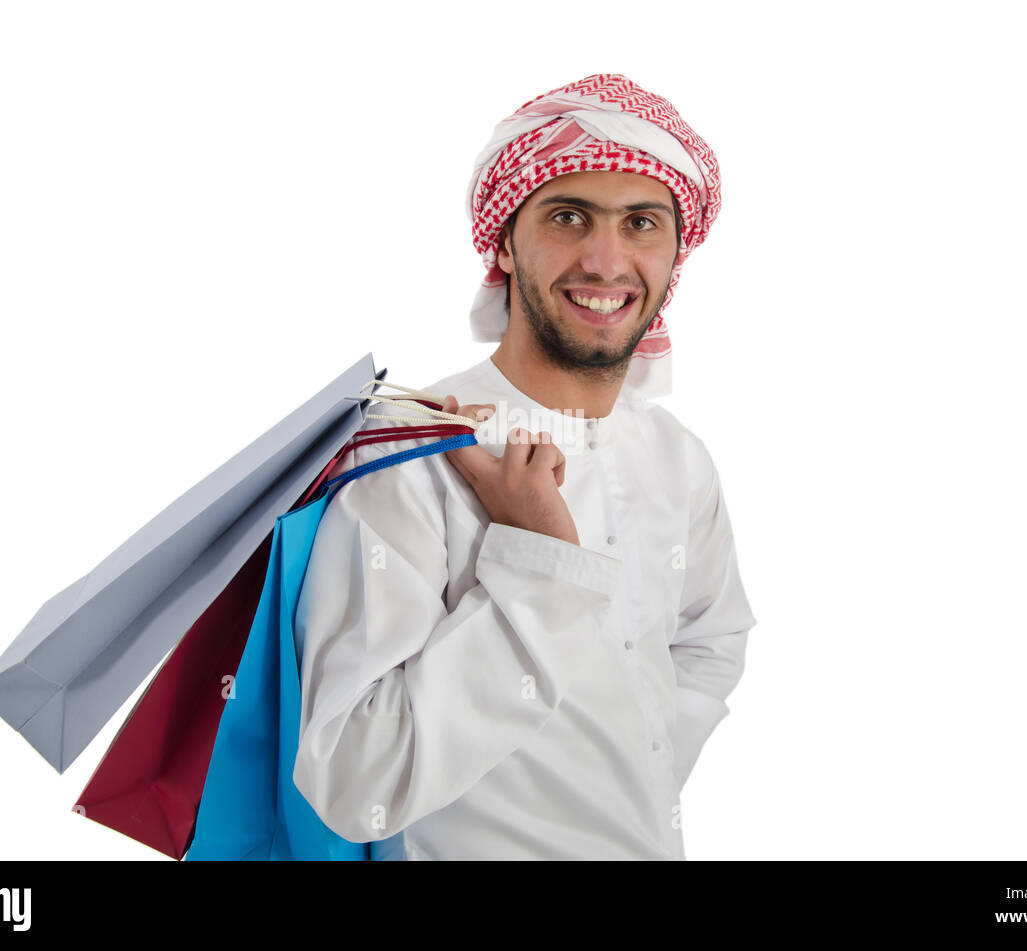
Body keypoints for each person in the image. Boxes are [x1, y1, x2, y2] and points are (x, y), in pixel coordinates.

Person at [292, 73, 757, 860]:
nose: (606, 261)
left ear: (676, 252)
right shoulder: (414, 449)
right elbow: (352, 777)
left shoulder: (678, 457)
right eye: (568, 217)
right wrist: (540, 565)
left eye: (641, 223)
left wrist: (620, 786)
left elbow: (712, 640)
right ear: (505, 242)